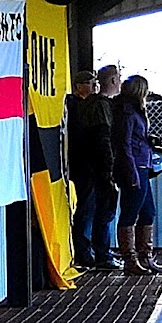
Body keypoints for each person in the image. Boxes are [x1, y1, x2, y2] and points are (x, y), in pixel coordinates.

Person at [112, 73, 162, 275]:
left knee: (147, 211)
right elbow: (123, 144)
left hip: (140, 166)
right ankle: (131, 260)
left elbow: (129, 139)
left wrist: (147, 139)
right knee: (130, 213)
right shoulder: (127, 111)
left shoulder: (131, 110)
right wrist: (131, 172)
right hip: (134, 168)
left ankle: (145, 257)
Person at [66, 71, 107, 269]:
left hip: (85, 164)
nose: (94, 87)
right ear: (79, 85)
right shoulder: (74, 106)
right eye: (91, 83)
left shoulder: (82, 106)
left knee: (87, 208)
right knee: (85, 209)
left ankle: (86, 250)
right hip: (83, 164)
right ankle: (83, 252)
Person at [90, 65, 122, 268]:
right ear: (112, 81)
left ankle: (103, 252)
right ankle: (103, 255)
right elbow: (103, 139)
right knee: (105, 211)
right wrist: (110, 168)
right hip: (102, 168)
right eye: (118, 78)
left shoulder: (95, 104)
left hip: (97, 166)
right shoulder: (102, 106)